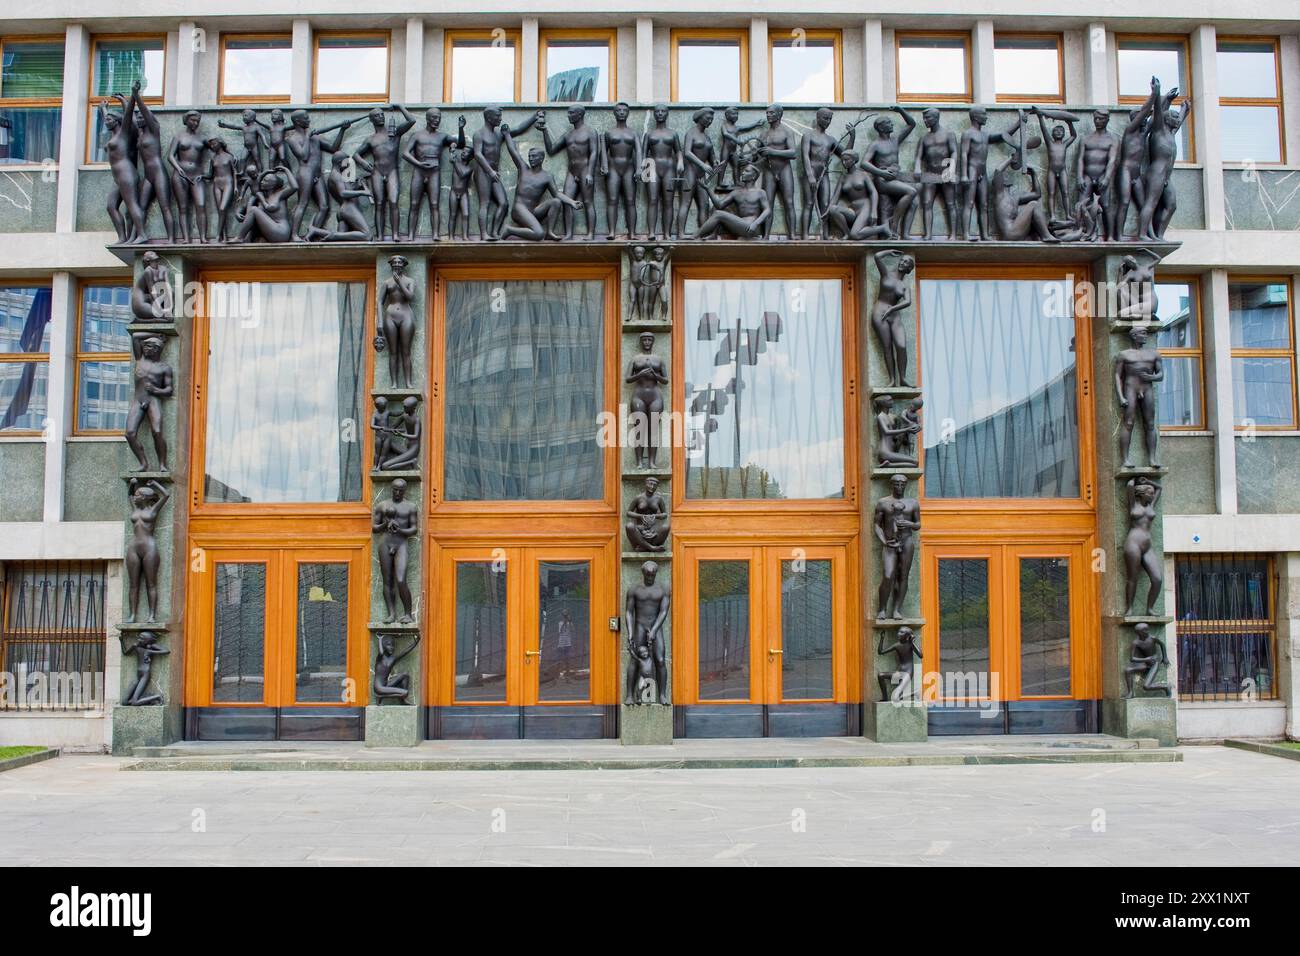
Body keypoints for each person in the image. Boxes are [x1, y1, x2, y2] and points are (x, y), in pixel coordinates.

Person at [496, 126, 582, 241]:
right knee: (538, 234)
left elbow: (557, 194)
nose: (531, 159)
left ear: (541, 158)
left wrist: (572, 202)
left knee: (556, 202)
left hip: (533, 211)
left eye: (534, 156)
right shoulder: (523, 169)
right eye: (530, 156)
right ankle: (509, 230)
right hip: (519, 209)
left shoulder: (547, 176)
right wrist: (507, 135)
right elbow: (513, 151)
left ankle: (550, 232)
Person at [540, 105, 603, 240]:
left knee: (588, 202)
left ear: (579, 115)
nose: (568, 116)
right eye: (568, 113)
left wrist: (590, 173)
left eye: (571, 113)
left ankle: (590, 233)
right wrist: (544, 131)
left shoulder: (590, 132)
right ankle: (569, 234)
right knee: (567, 201)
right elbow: (551, 150)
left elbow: (594, 153)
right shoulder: (568, 134)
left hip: (585, 170)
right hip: (572, 172)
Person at [354, 104, 416, 241]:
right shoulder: (370, 139)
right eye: (376, 115)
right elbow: (356, 155)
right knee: (379, 204)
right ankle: (380, 236)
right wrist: (364, 163)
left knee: (394, 201)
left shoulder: (394, 131)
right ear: (371, 120)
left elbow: (412, 120)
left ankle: (395, 234)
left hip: (392, 171)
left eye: (382, 114)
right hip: (377, 172)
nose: (380, 117)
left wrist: (400, 106)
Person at [402, 109, 465, 240]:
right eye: (435, 117)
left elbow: (461, 144)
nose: (437, 120)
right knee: (414, 204)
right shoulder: (417, 135)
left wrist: (461, 129)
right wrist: (418, 164)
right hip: (419, 171)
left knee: (434, 204)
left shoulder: (442, 136)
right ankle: (410, 235)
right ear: (428, 118)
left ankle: (435, 234)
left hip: (434, 172)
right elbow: (405, 153)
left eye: (439, 118)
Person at [871, 250, 915, 387]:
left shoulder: (904, 286)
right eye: (902, 260)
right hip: (880, 312)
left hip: (893, 313)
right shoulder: (886, 274)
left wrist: (892, 308)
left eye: (907, 262)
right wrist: (889, 252)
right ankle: (892, 380)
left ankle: (903, 378)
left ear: (909, 269)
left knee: (901, 346)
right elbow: (877, 256)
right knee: (887, 346)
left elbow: (908, 302)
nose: (903, 263)